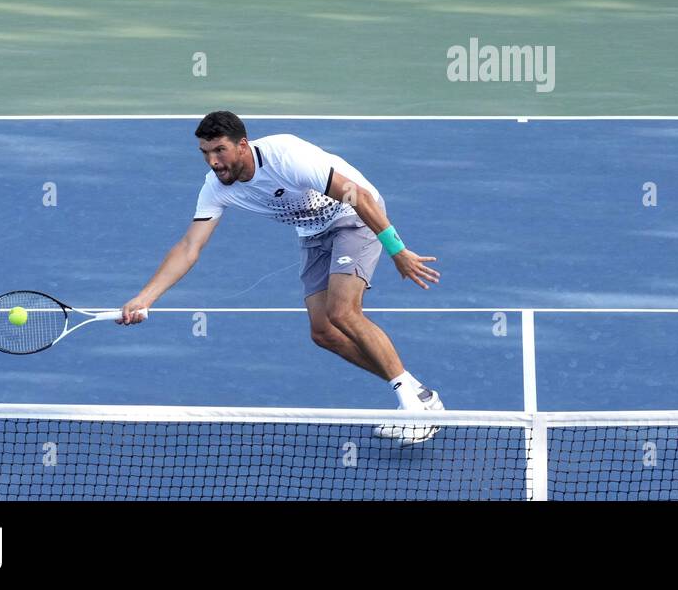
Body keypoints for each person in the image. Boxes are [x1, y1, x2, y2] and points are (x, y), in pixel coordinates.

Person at [120, 111, 445, 441]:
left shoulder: (287, 157)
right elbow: (190, 245)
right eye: (205, 153)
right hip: (313, 232)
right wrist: (146, 297)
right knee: (323, 332)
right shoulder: (215, 188)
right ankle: (417, 392)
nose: (213, 162)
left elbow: (357, 195)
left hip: (353, 216)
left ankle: (414, 406)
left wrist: (397, 250)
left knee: (343, 312)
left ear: (242, 145)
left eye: (219, 150)